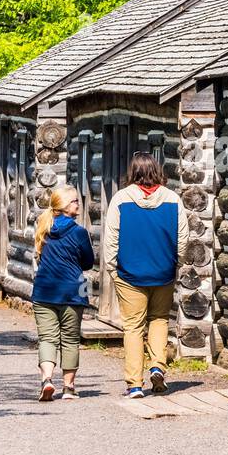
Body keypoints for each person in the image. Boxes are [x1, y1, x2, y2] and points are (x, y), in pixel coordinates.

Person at [104, 153, 187, 399]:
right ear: (157, 170)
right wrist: (175, 263)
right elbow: (182, 239)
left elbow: (111, 239)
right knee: (160, 319)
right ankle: (157, 367)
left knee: (133, 327)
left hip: (129, 273)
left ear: (133, 172)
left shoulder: (120, 199)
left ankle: (134, 384)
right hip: (163, 271)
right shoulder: (173, 199)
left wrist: (112, 268)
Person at [31, 185, 95, 401]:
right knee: (69, 340)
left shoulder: (44, 226)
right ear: (67, 206)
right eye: (76, 201)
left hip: (44, 291)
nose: (79, 204)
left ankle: (47, 380)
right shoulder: (79, 232)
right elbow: (88, 262)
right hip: (73, 291)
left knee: (47, 338)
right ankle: (68, 387)